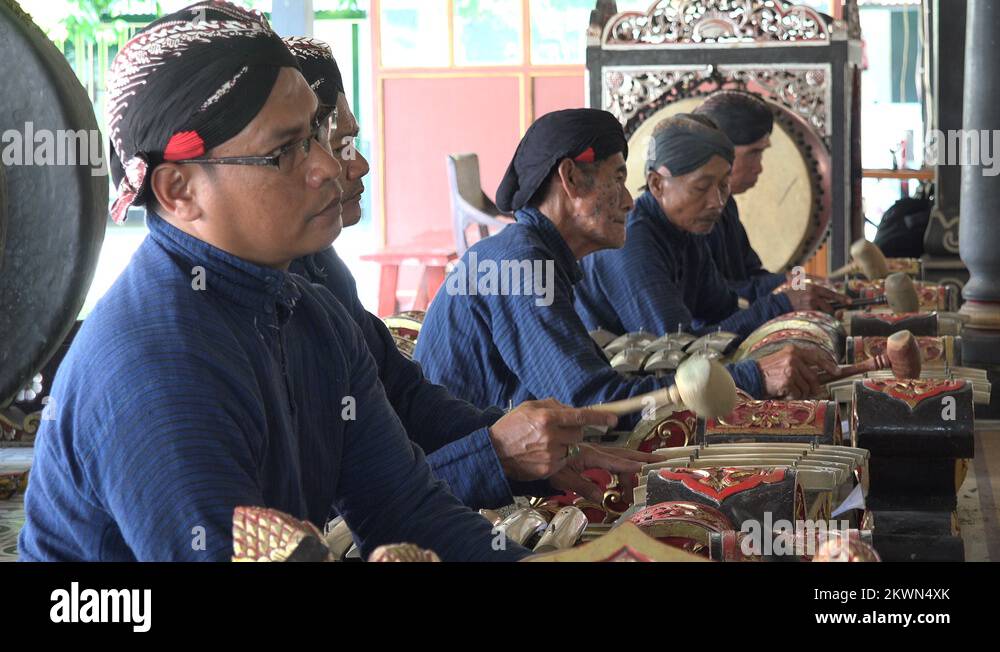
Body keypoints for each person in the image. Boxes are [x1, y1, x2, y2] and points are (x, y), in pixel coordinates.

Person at [19, 2, 590, 562]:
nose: (327, 166)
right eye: (285, 150)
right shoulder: (153, 363)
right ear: (178, 190)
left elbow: (408, 512)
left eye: (314, 137)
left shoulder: (313, 317)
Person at [283, 36, 652, 508]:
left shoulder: (322, 270)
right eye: (339, 145)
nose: (360, 164)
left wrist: (519, 450)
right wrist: (495, 452)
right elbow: (593, 401)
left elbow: (406, 399)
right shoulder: (520, 264)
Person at [414, 109, 834, 418]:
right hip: (462, 492)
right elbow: (594, 404)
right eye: (617, 178)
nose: (629, 200)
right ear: (571, 179)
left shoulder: (536, 257)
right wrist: (751, 378)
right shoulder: (520, 266)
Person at [574, 113, 849, 345]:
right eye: (701, 187)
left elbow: (723, 309)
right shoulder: (632, 242)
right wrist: (782, 304)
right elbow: (675, 349)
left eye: (723, 185)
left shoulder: (688, 230)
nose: (717, 201)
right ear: (657, 184)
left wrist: (795, 288)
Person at [694, 90, 789, 301]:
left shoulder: (727, 205)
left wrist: (800, 281)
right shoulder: (691, 216)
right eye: (754, 153)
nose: (760, 168)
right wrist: (789, 294)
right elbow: (714, 297)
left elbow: (752, 274)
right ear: (719, 151)